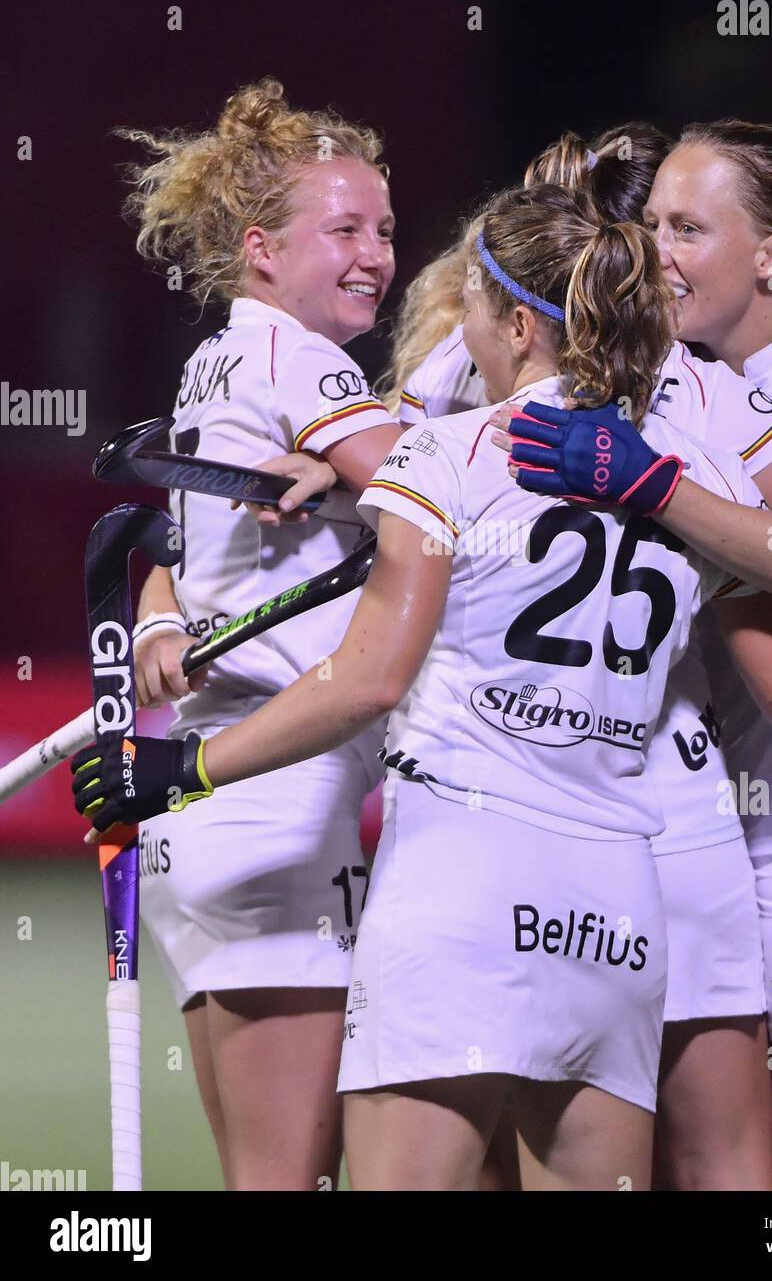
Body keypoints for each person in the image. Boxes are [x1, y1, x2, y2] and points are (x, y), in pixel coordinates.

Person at [74, 183, 772, 1191]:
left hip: (461, 890)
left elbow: (367, 678)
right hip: (617, 904)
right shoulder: (687, 473)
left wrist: (185, 765)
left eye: (471, 305)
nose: (450, 328)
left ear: (519, 324)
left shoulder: (443, 454)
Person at [494, 120, 772, 1189]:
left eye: (689, 229)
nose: (659, 253)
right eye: (651, 226)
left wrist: (661, 482)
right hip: (726, 842)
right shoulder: (688, 379)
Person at [117, 78, 403, 1189]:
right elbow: (442, 500)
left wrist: (163, 606)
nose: (375, 252)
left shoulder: (217, 363)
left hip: (226, 813)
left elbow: (179, 567)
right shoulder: (302, 361)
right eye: (343, 230)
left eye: (383, 227)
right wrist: (349, 461)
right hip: (278, 804)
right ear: (263, 252)